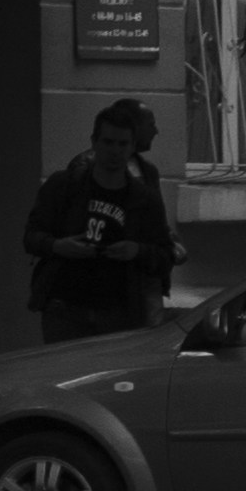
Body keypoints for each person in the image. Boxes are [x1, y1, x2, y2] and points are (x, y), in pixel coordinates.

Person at [23, 96, 183, 340]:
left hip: (119, 311)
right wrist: (58, 246)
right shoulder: (65, 185)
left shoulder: (144, 198)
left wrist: (136, 250)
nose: (115, 151)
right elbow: (32, 236)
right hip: (66, 307)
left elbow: (163, 254)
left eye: (122, 144)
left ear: (132, 146)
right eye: (108, 142)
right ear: (94, 143)